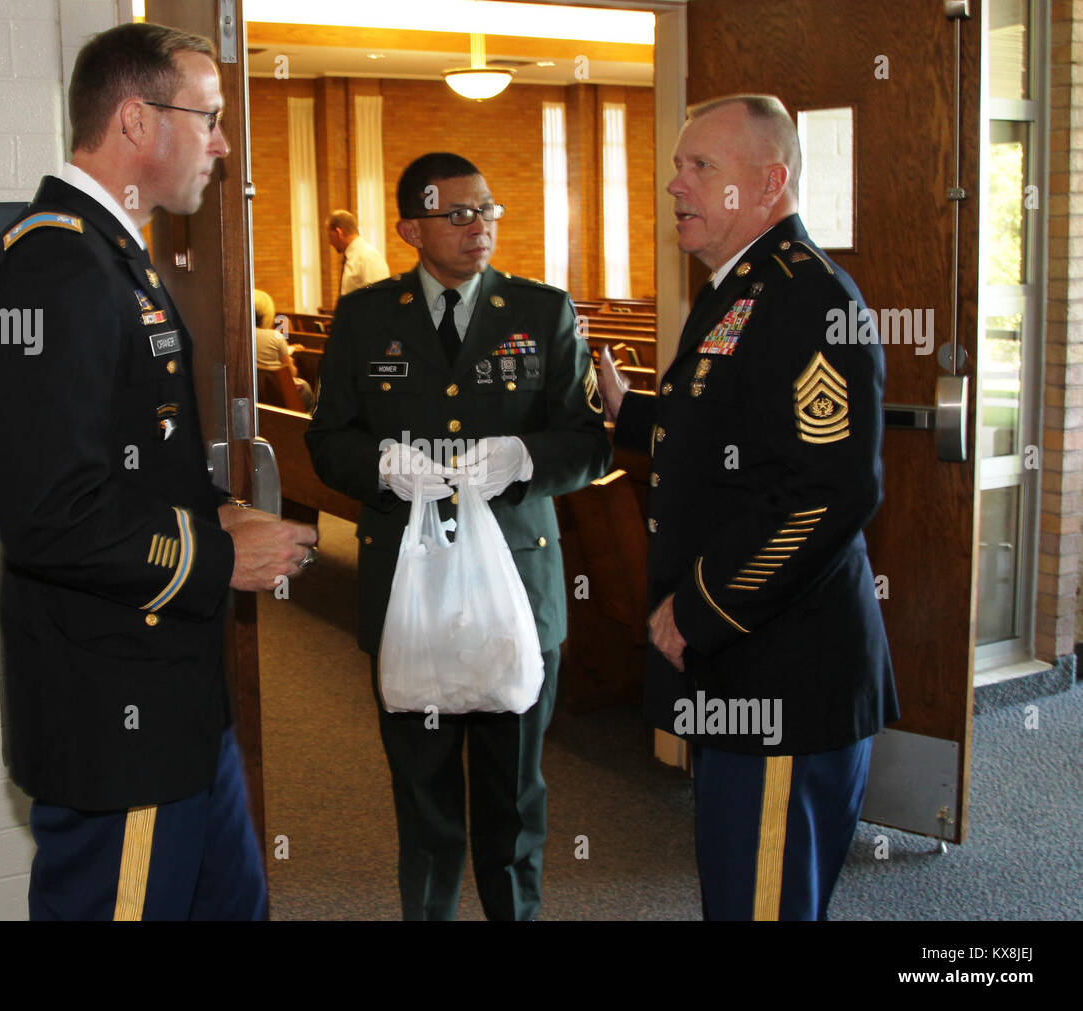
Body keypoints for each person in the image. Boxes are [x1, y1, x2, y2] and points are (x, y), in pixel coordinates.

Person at [0, 22, 318, 921]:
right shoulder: (55, 264)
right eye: (210, 118)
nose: (225, 144)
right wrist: (215, 556)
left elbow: (137, 469)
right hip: (118, 713)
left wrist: (219, 518)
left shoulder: (114, 256)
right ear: (134, 121)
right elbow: (51, 512)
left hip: (175, 708)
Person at [598, 95, 899, 920]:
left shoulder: (806, 297)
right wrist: (631, 413)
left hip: (781, 675)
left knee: (760, 905)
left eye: (701, 167)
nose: (674, 184)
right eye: (676, 165)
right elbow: (731, 431)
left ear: (769, 183)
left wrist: (702, 604)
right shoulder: (739, 289)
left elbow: (832, 489)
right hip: (743, 667)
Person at [306, 152, 611, 920]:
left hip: (516, 587)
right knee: (424, 801)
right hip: (409, 592)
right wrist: (381, 465)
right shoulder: (368, 316)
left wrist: (524, 457)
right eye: (459, 214)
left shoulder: (542, 312)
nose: (481, 228)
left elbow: (590, 442)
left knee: (512, 801)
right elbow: (327, 439)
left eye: (488, 211)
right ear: (411, 227)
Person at [253, 288, 315, 411]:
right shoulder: (276, 336)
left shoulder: (240, 336)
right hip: (281, 397)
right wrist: (291, 362)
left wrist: (287, 348)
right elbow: (291, 373)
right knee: (306, 388)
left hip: (257, 394)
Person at [326, 209, 390, 300]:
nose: (330, 242)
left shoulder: (368, 257)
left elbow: (379, 299)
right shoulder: (352, 257)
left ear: (339, 232)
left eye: (330, 236)